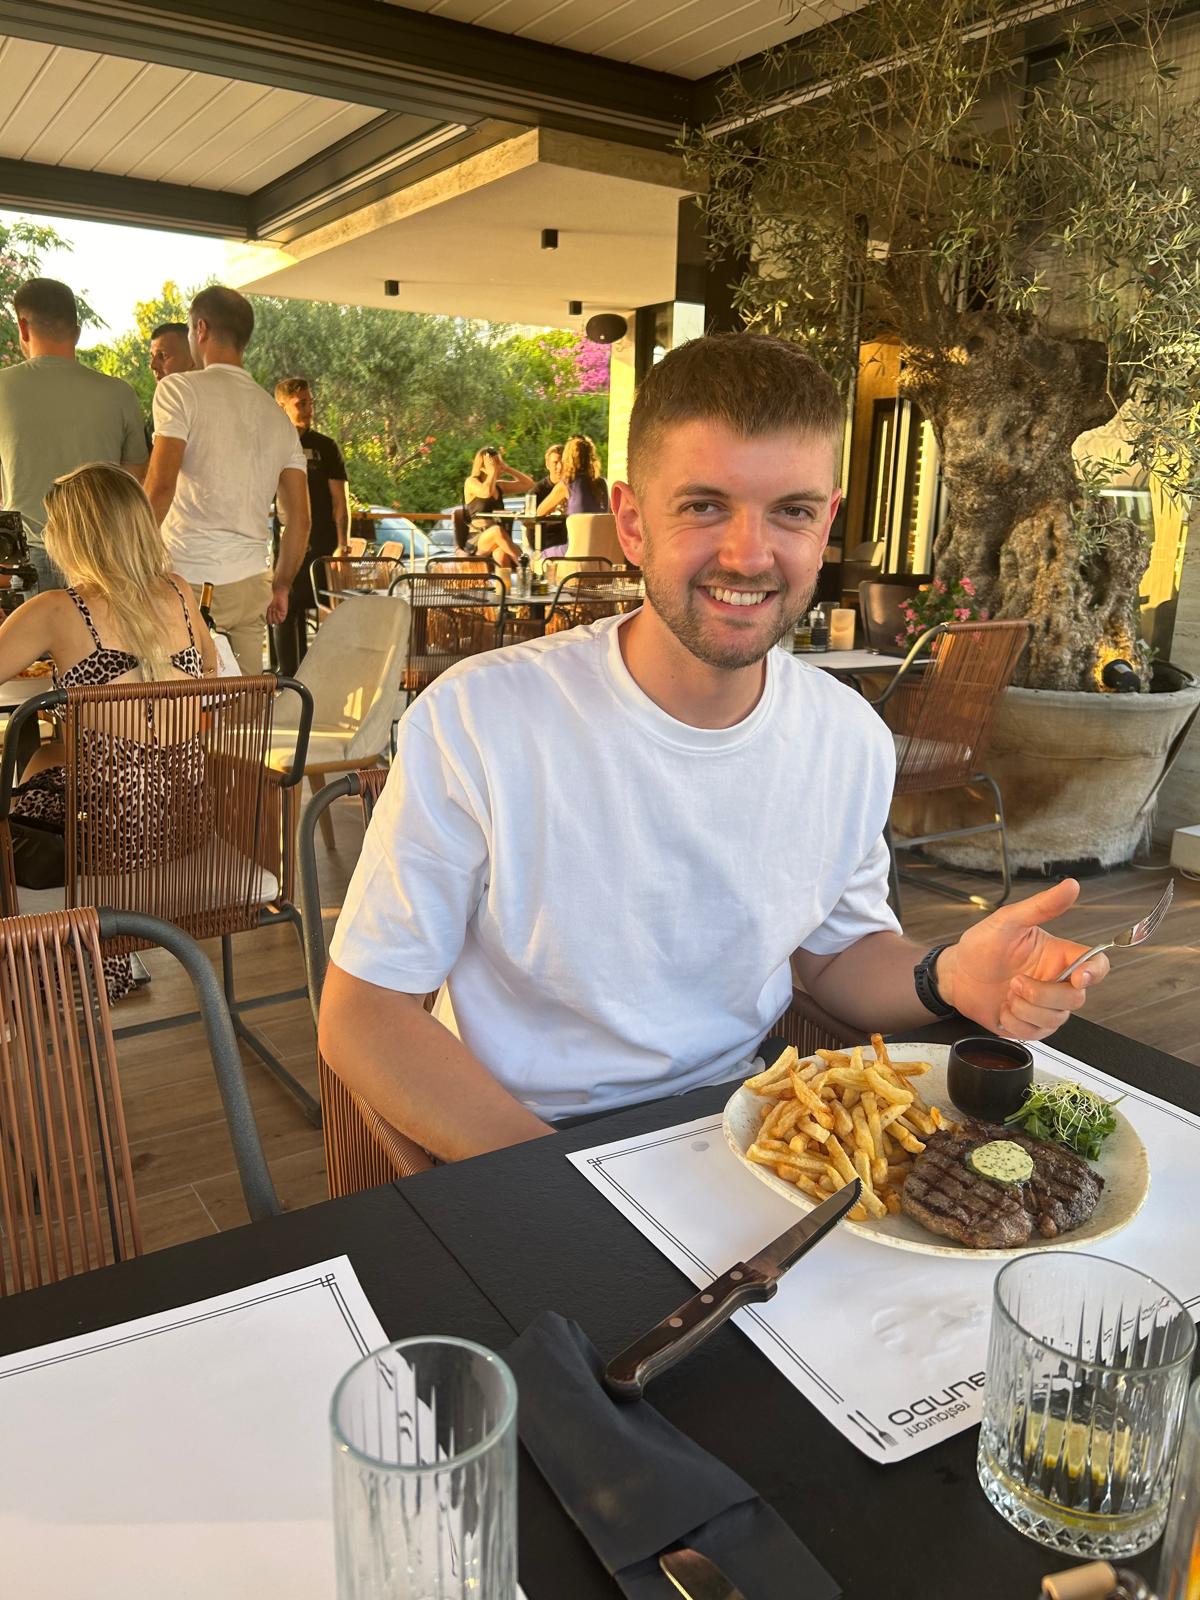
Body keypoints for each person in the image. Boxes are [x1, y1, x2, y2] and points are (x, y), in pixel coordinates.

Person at [320, 333, 1110, 1166]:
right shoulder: (482, 718)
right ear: (631, 521)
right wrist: (572, 1194)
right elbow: (364, 1013)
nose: (749, 554)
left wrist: (944, 975)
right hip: (521, 1146)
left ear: (827, 523)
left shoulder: (846, 740)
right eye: (703, 505)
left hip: (745, 1131)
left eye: (792, 511)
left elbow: (839, 953)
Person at [0, 462, 216, 998]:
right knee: (48, 762)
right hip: (187, 823)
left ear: (75, 535)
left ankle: (65, 958)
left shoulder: (56, 608)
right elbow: (211, 682)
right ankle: (90, 951)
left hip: (112, 837)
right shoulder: (181, 591)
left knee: (18, 809)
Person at [144, 286, 310, 675]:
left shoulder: (178, 390)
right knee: (244, 718)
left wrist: (124, 562)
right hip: (253, 582)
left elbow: (160, 487)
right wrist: (282, 584)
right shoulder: (277, 418)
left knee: (183, 715)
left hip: (189, 579)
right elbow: (299, 520)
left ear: (200, 330)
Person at [0, 279, 148, 592]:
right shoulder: (120, 394)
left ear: (23, 328)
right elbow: (133, 478)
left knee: (33, 642)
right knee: (101, 641)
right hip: (103, 556)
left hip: (27, 558)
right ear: (77, 332)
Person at [272, 376, 349, 675]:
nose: (308, 408)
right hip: (286, 543)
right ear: (282, 407)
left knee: (320, 609)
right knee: (283, 607)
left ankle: (321, 676)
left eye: (310, 402)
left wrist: (343, 544)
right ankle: (288, 678)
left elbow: (340, 501)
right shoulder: (274, 444)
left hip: (323, 544)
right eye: (300, 403)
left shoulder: (326, 447)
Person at [533, 433, 609, 560]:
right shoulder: (602, 484)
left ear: (567, 458)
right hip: (601, 553)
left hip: (575, 552)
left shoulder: (566, 485)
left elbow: (539, 512)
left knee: (536, 558)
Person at [461, 446, 533, 568]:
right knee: (497, 531)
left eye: (499, 463)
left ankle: (505, 586)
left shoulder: (499, 486)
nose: (498, 467)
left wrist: (507, 468)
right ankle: (527, 568)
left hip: (497, 537)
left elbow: (529, 484)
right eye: (494, 463)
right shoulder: (471, 482)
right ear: (483, 466)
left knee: (501, 554)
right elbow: (486, 492)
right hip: (477, 539)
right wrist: (492, 472)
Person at [525, 441, 565, 557]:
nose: (559, 467)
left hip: (569, 540)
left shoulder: (573, 487)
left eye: (563, 462)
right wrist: (550, 520)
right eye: (555, 462)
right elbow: (527, 521)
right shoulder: (537, 491)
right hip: (545, 542)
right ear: (547, 465)